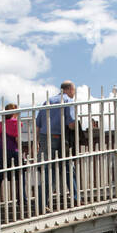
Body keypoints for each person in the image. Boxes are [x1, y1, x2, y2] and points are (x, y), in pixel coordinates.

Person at [35, 80, 77, 210]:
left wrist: (37, 141)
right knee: (69, 167)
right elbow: (71, 124)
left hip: (44, 136)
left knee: (48, 171)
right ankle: (75, 198)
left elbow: (38, 124)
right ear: (69, 89)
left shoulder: (48, 101)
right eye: (74, 89)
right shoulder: (67, 102)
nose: (74, 92)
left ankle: (42, 203)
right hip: (59, 137)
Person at [0, 103, 23, 217]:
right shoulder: (16, 123)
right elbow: (17, 137)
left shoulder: (1, 124)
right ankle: (21, 199)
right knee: (19, 175)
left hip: (0, 151)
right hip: (12, 151)